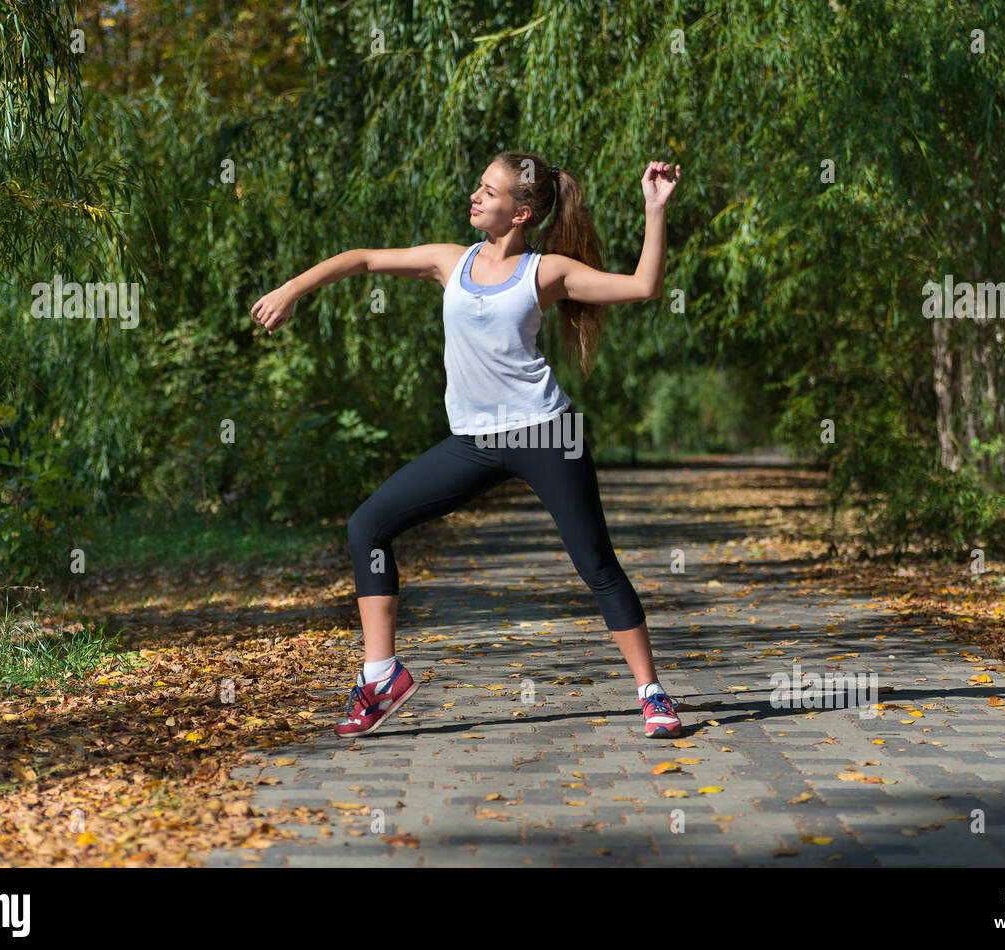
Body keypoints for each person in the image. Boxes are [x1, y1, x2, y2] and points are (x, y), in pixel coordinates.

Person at [250, 152, 682, 739]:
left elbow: (645, 286)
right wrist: (292, 289)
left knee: (596, 564)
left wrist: (655, 209)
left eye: (490, 192)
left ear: (522, 212)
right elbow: (363, 259)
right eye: (479, 186)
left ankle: (652, 693)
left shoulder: (545, 271)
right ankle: (381, 678)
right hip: (473, 441)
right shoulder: (450, 262)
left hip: (546, 432)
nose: (475, 197)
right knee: (367, 527)